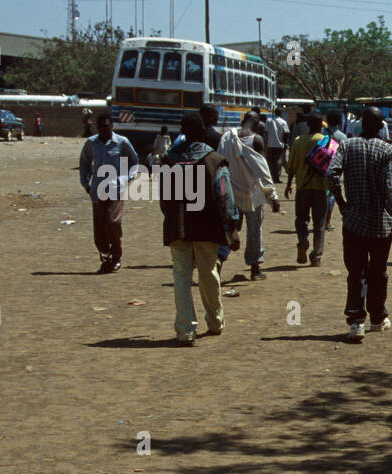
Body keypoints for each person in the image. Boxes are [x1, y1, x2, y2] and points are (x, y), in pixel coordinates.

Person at [158, 112, 239, 346]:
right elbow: (224, 196)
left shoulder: (170, 160)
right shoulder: (214, 160)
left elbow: (164, 198)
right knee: (209, 274)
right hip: (207, 227)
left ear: (182, 132)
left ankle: (185, 330)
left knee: (181, 278)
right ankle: (215, 321)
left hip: (178, 228)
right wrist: (231, 227)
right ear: (203, 131)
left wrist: (172, 218)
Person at [327, 107, 392, 343]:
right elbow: (391, 187)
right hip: (380, 223)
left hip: (354, 221)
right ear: (381, 126)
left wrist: (342, 203)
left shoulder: (347, 146)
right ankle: (377, 318)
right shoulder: (388, 150)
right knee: (378, 272)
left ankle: (356, 321)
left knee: (356, 273)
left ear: (361, 123)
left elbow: (330, 174)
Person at [78, 113, 140, 273]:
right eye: (101, 127)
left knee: (113, 222)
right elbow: (84, 161)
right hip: (98, 189)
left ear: (112, 126)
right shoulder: (91, 143)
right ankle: (106, 259)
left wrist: (127, 178)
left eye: (107, 126)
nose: (104, 129)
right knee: (99, 228)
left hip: (116, 188)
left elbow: (134, 161)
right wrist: (85, 182)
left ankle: (117, 256)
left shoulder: (121, 142)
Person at [218, 123, 280, 281]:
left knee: (227, 229)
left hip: (232, 191)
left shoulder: (226, 137)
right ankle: (254, 269)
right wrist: (273, 196)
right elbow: (263, 170)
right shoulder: (257, 139)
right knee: (255, 231)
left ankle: (219, 260)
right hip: (254, 193)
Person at [285, 112, 331, 266]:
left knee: (301, 219)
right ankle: (316, 255)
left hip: (302, 187)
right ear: (321, 126)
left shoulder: (298, 141)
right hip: (321, 188)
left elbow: (291, 166)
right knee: (319, 223)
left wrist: (288, 184)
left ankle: (303, 241)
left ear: (308, 125)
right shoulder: (327, 141)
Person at [323, 110, 348, 232]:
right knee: (331, 195)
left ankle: (320, 220)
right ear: (339, 121)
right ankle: (327, 221)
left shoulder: (321, 133)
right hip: (334, 169)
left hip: (318, 168)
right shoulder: (342, 137)